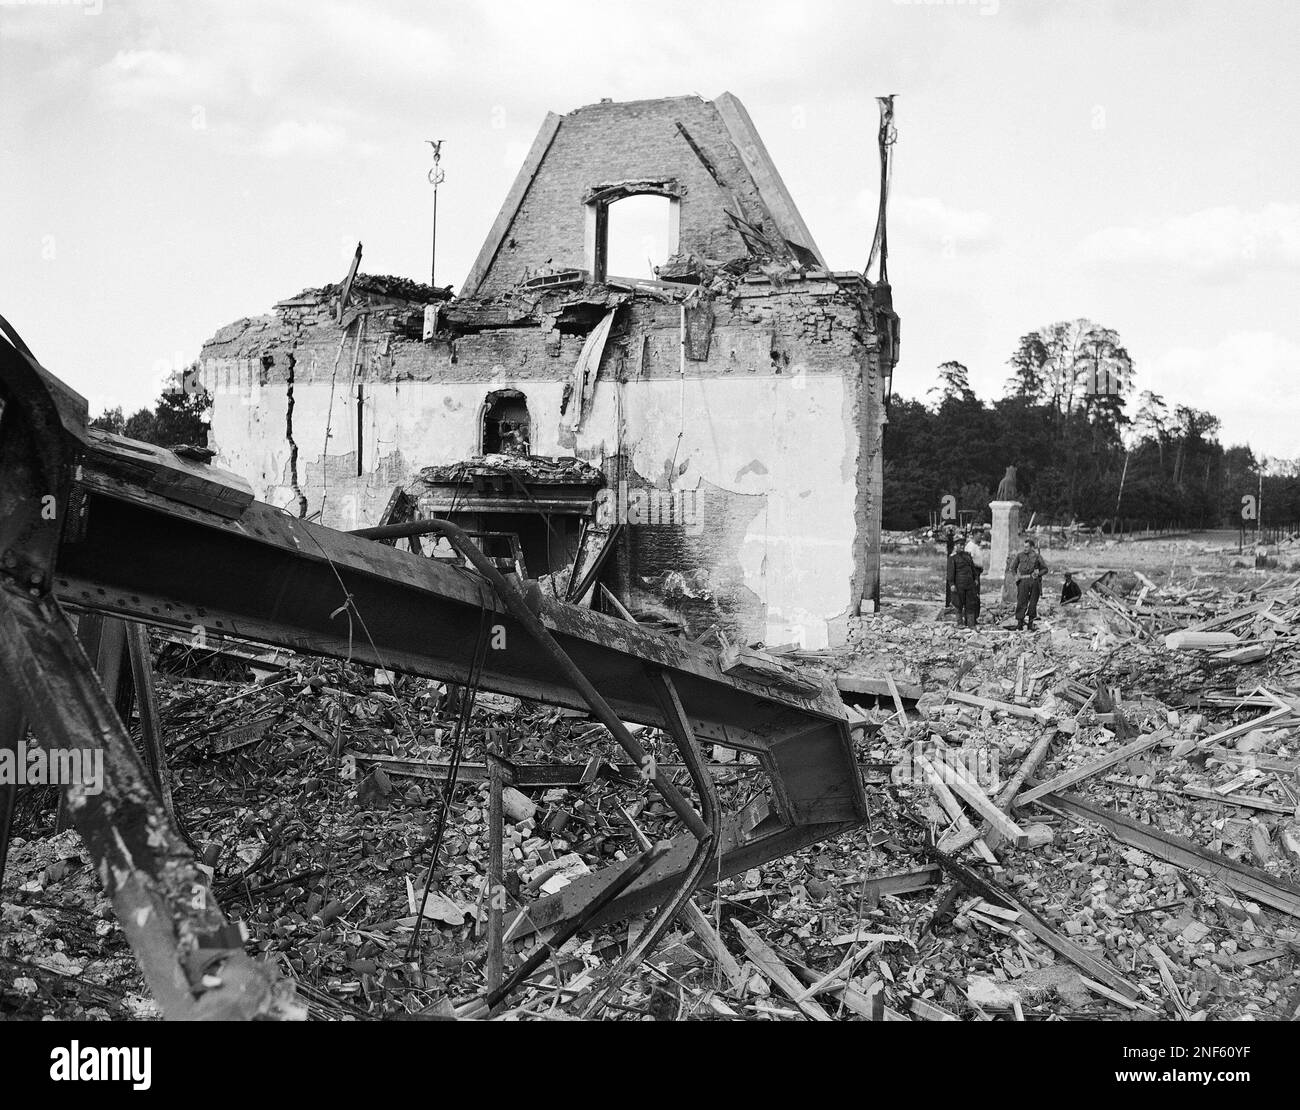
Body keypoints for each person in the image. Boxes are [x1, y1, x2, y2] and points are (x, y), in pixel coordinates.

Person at [1011, 537, 1049, 631]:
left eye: (1027, 547)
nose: (1025, 549)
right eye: (1024, 547)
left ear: (1032, 547)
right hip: (1023, 581)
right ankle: (1019, 623)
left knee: (1033, 603)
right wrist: (1016, 576)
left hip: (1034, 581)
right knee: (1021, 602)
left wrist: (1038, 574)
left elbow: (1045, 569)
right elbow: (1012, 567)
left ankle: (1030, 623)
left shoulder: (1037, 557)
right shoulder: (1020, 555)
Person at [951, 542, 980, 628]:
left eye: (962, 545)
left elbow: (973, 569)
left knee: (970, 603)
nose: (961, 546)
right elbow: (951, 572)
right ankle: (960, 623)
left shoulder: (968, 557)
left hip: (969, 584)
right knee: (958, 603)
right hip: (959, 584)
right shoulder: (953, 558)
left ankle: (971, 624)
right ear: (955, 546)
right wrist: (952, 584)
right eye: (959, 545)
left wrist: (975, 579)